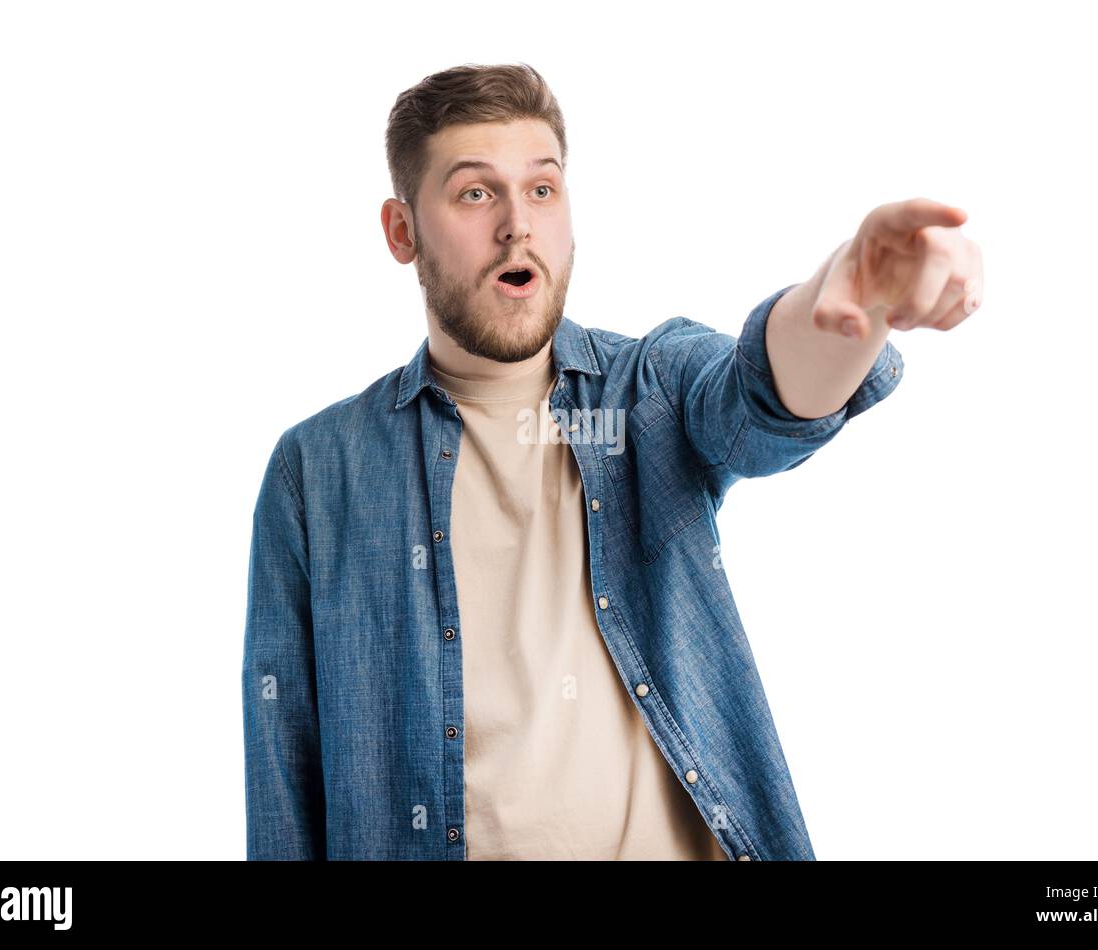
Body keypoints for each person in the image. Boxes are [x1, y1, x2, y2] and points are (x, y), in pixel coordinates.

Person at [241, 62, 984, 861]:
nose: (517, 227)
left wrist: (852, 307)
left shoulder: (648, 390)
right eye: (475, 193)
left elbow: (759, 397)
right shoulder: (316, 472)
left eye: (542, 190)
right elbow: (285, 781)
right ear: (401, 231)